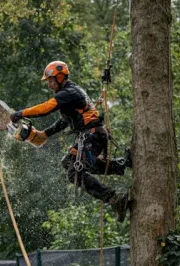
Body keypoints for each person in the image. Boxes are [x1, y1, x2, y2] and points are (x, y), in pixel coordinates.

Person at [10, 60, 131, 222]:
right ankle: (122, 164)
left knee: (74, 172)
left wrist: (21, 113)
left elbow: (46, 108)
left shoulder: (69, 92)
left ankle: (114, 199)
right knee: (69, 163)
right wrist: (44, 134)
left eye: (51, 81)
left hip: (93, 135)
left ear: (61, 77)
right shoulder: (69, 97)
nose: (49, 85)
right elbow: (65, 121)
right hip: (91, 136)